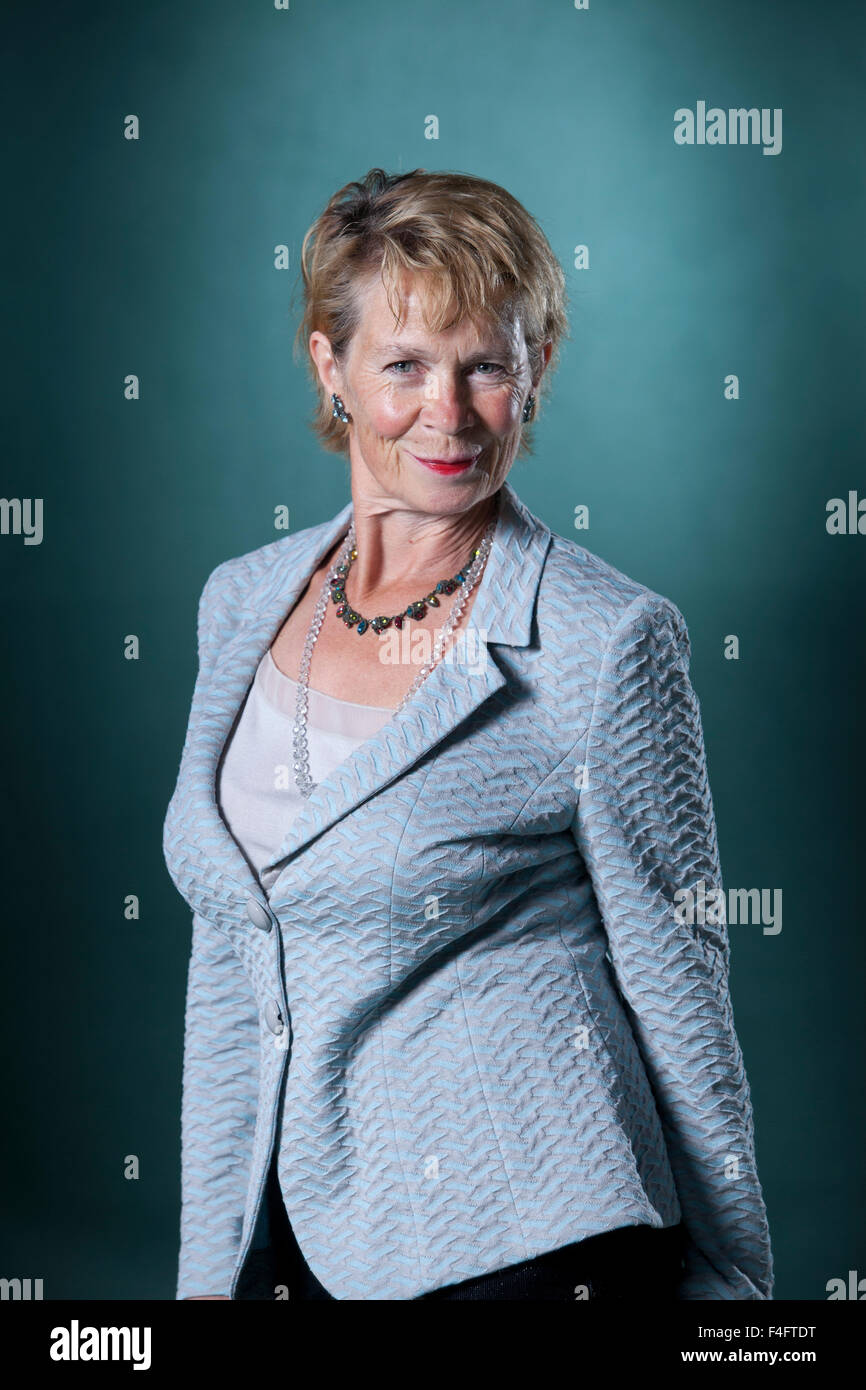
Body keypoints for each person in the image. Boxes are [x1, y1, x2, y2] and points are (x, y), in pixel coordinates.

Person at [163, 167, 774, 1301]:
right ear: (328, 367)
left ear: (532, 375)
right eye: (402, 364)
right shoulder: (238, 603)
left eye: (484, 365)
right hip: (298, 1234)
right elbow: (229, 974)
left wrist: (732, 1289)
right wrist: (207, 1276)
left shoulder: (604, 639)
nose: (445, 413)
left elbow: (679, 976)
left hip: (533, 1234)